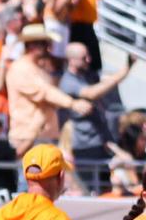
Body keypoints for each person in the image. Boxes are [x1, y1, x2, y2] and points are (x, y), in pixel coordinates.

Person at [5, 23, 92, 156]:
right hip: (27, 136)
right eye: (44, 44)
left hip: (43, 135)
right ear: (32, 45)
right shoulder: (20, 69)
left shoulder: (39, 69)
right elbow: (44, 92)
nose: (48, 48)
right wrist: (72, 103)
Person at [59, 41, 132, 195]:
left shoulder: (88, 76)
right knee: (91, 191)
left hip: (99, 143)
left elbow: (104, 82)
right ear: (71, 60)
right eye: (83, 57)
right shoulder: (68, 81)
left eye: (88, 56)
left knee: (107, 189)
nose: (88, 60)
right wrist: (124, 71)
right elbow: (93, 93)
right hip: (85, 146)